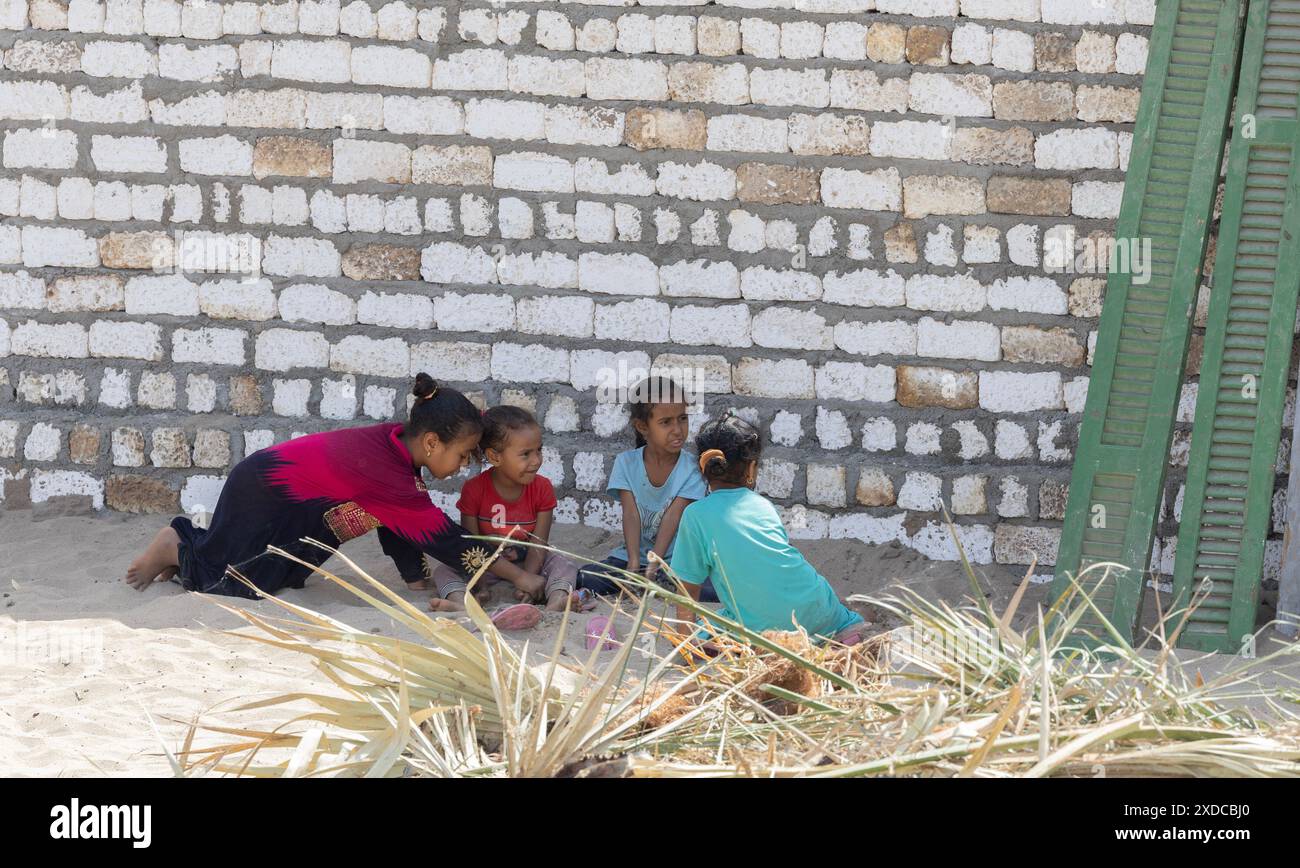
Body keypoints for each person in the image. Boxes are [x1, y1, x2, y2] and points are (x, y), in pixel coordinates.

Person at [123, 374, 532, 600]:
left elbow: (399, 521)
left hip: (278, 496)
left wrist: (415, 579)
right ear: (431, 443)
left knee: (275, 574)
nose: (462, 466)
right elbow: (443, 537)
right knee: (235, 584)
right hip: (263, 494)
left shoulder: (396, 450)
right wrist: (519, 577)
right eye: (462, 455)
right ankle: (174, 544)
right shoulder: (389, 473)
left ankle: (193, 550)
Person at [668, 413, 866, 645]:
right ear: (751, 469)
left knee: (708, 629)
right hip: (820, 609)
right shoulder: (763, 505)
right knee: (844, 617)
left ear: (703, 468)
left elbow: (687, 588)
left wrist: (683, 642)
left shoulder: (695, 515)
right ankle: (846, 631)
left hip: (762, 630)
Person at [430, 405, 584, 613]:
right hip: (486, 566)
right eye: (526, 454)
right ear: (495, 457)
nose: (536, 460)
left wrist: (528, 581)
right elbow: (472, 546)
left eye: (539, 450)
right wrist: (481, 583)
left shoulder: (542, 488)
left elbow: (539, 545)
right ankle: (461, 602)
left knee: (563, 564)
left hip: (527, 563)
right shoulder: (474, 489)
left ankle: (557, 600)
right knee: (443, 570)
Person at [577, 376, 710, 598]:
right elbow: (630, 514)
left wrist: (654, 563)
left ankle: (659, 582)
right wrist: (634, 563)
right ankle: (650, 583)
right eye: (666, 422)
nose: (678, 430)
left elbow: (673, 516)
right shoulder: (626, 463)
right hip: (633, 555)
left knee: (710, 588)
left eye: (683, 418)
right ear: (642, 427)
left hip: (676, 561)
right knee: (585, 577)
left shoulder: (693, 467)